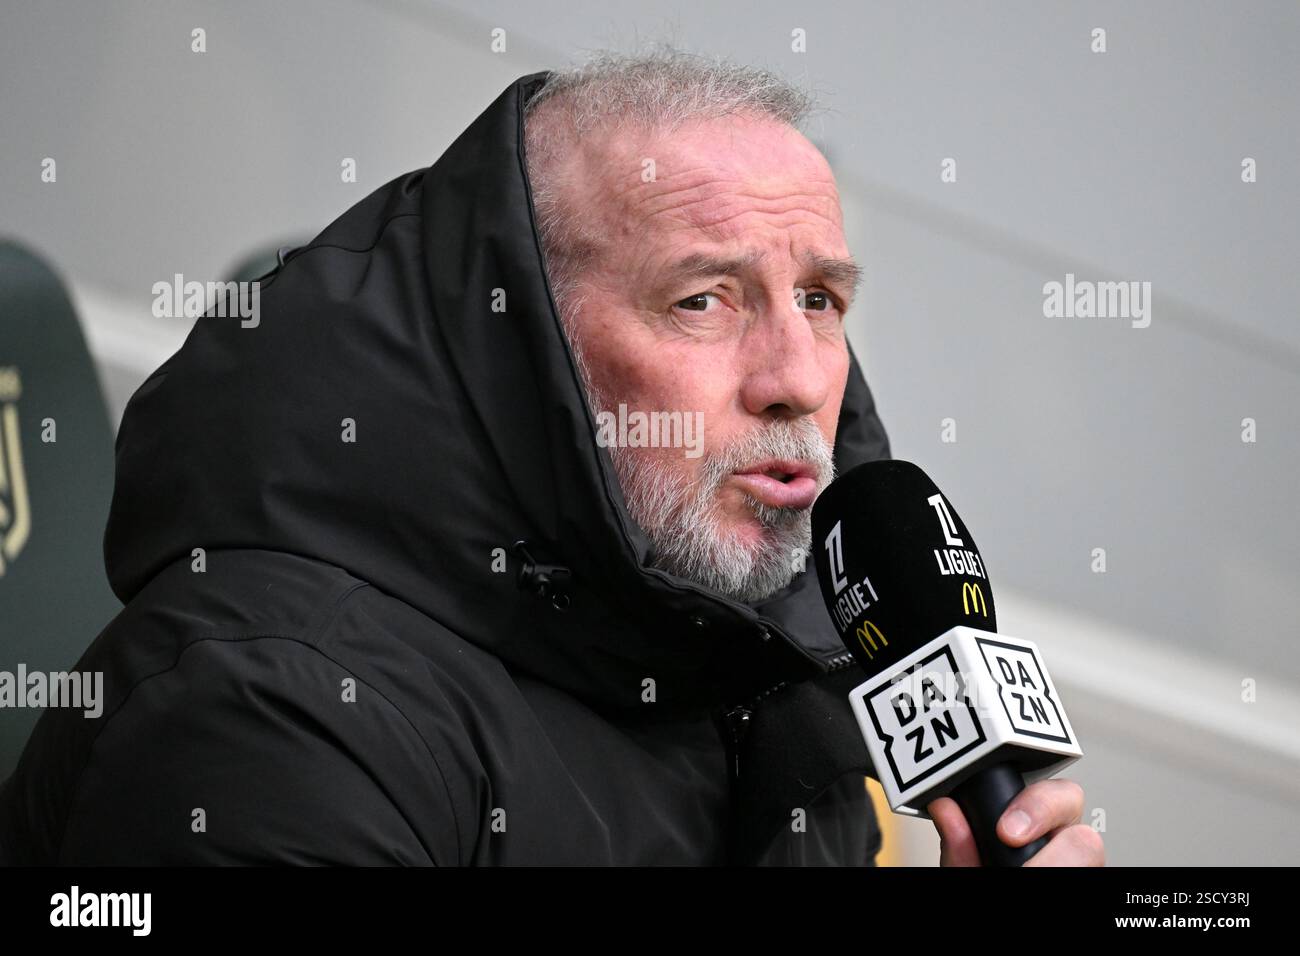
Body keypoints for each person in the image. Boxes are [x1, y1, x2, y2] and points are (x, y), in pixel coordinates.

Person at [0, 50, 1102, 866]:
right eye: (703, 298)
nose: (798, 376)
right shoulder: (271, 712)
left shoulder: (777, 678)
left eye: (819, 299)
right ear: (526, 351)